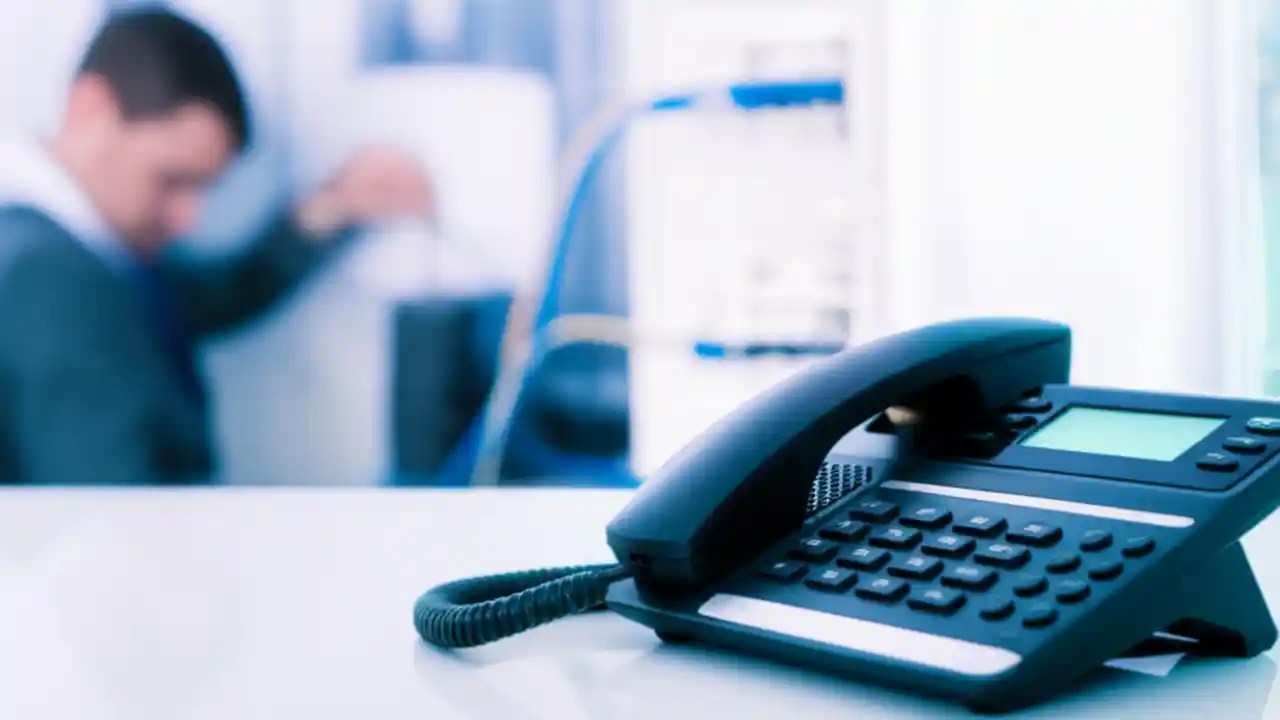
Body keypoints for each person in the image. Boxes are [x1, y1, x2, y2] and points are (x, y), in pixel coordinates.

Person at [0, 9, 434, 483]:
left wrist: (331, 208)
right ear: (92, 108)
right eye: (171, 180)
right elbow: (107, 510)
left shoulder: (75, 245)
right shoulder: (43, 276)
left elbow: (192, 300)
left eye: (202, 189)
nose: (187, 220)